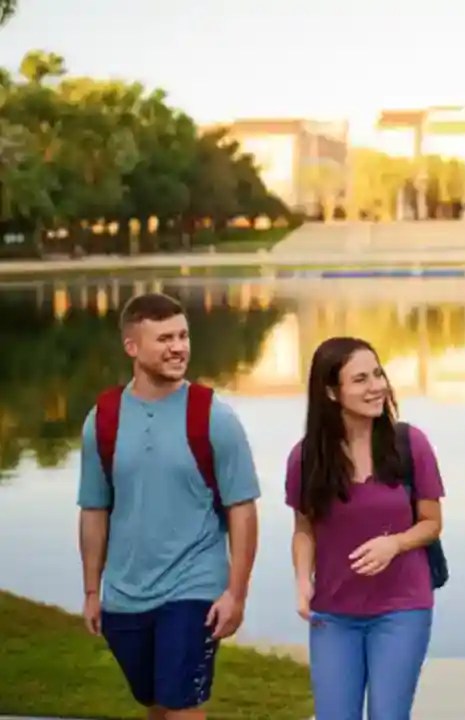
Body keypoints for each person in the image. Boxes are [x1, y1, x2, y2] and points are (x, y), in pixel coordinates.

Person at [78, 292, 261, 720]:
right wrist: (92, 590)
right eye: (164, 338)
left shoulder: (214, 416)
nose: (179, 347)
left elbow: (243, 510)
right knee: (157, 705)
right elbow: (94, 510)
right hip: (124, 595)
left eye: (183, 335)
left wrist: (236, 592)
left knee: (182, 705)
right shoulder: (102, 419)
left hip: (193, 586)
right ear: (132, 347)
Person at [286, 336, 444, 720]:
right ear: (331, 392)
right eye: (360, 379)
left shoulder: (410, 444)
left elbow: (432, 524)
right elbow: (304, 528)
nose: (376, 386)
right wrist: (303, 581)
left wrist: (395, 544)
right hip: (334, 612)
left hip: (401, 609)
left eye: (377, 374)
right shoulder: (306, 457)